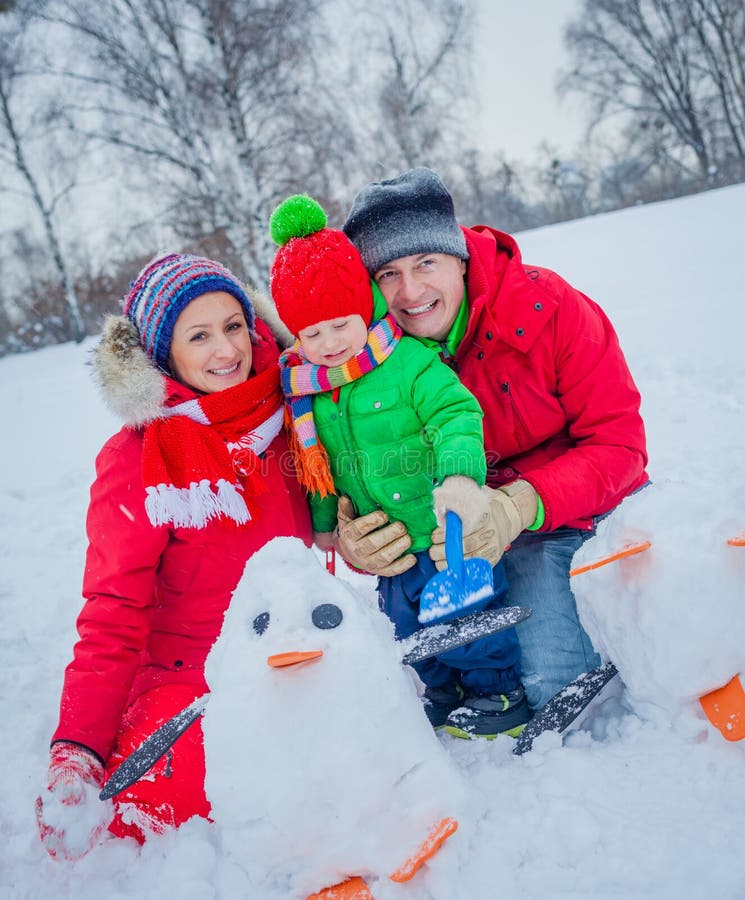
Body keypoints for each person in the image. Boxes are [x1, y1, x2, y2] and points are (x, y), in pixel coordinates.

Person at [337, 167, 649, 716]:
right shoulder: (363, 361)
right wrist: (357, 543)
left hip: (573, 508)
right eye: (388, 273)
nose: (410, 292)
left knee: (559, 680)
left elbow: (620, 445)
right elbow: (356, 471)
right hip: (457, 542)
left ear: (458, 255)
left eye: (425, 263)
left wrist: (516, 505)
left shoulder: (548, 307)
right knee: (494, 684)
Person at [35, 253, 312, 861]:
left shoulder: (297, 414)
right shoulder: (139, 458)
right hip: (194, 677)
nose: (226, 351)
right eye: (200, 336)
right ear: (164, 354)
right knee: (180, 804)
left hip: (300, 648)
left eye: (234, 325)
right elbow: (112, 609)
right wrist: (76, 748)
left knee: (342, 747)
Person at [269, 194, 531, 739]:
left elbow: (456, 413)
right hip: (385, 541)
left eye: (339, 325)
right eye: (311, 334)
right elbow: (321, 466)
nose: (329, 345)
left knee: (467, 614)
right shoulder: (309, 390)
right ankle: (441, 689)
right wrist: (327, 527)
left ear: (363, 305)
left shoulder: (408, 360)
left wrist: (462, 479)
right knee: (407, 622)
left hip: (441, 530)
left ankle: (496, 690)